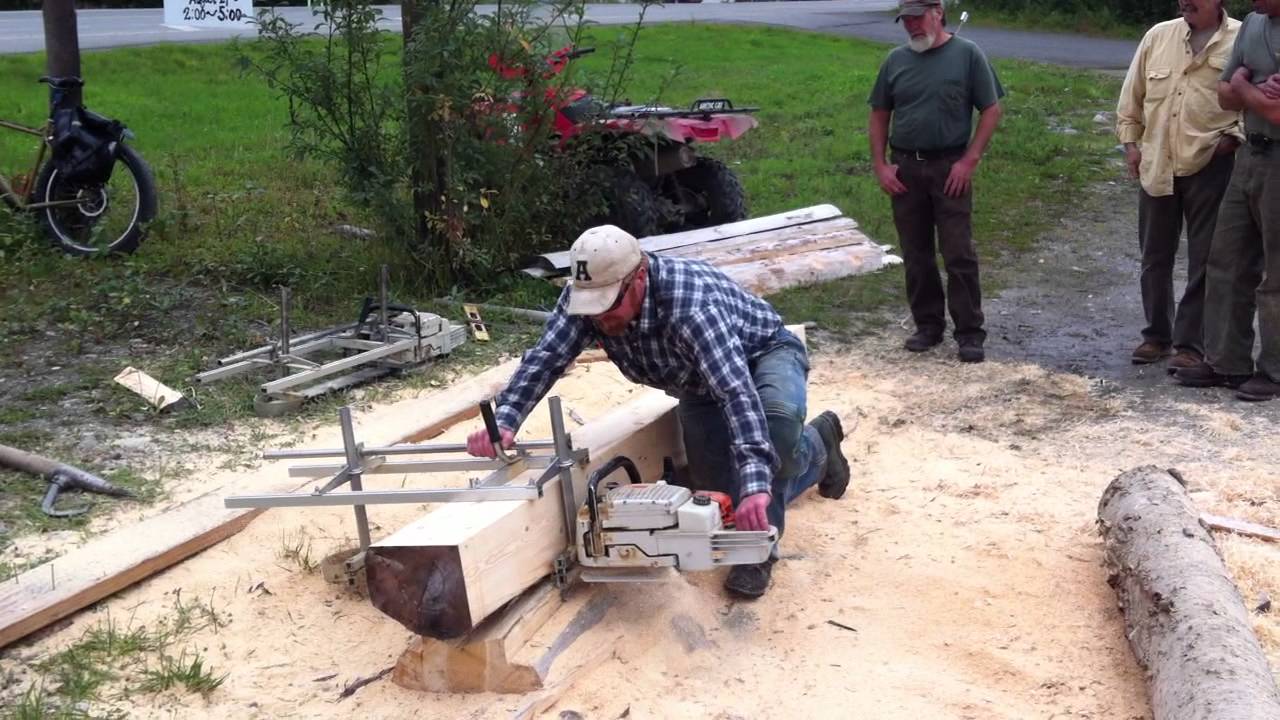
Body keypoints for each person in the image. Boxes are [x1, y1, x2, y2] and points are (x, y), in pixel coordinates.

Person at [465, 225, 851, 598]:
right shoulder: (587, 298)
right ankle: (814, 456)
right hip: (697, 382)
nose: (600, 317)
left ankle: (764, 540)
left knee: (773, 437)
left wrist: (754, 483)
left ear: (638, 277)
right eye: (591, 307)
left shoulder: (691, 307)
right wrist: (507, 418)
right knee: (720, 497)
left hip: (763, 353)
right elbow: (547, 357)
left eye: (609, 304)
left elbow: (735, 392)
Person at [868, 0, 1005, 363]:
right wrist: (881, 165)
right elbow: (879, 114)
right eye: (906, 20)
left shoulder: (967, 54)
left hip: (949, 167)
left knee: (958, 251)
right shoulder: (895, 61)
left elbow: (991, 109)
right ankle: (928, 325)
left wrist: (969, 160)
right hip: (905, 169)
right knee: (916, 253)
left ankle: (969, 332)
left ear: (938, 13)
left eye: (917, 18)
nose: (912, 26)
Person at [1116, 0, 1242, 370]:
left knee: (1205, 259)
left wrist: (1233, 139)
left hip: (1211, 164)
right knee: (1154, 256)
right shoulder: (1158, 36)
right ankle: (1156, 336)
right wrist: (1131, 146)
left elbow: (1251, 105)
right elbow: (1132, 97)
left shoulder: (1241, 39)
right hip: (1157, 162)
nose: (1185, 1)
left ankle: (1190, 345)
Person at [1174, 0, 1280, 401]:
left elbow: (1276, 111)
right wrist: (1249, 92)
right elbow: (1223, 95)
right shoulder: (1253, 23)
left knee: (1277, 274)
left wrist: (1243, 85)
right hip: (1250, 153)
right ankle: (1225, 361)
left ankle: (1275, 371)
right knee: (1226, 260)